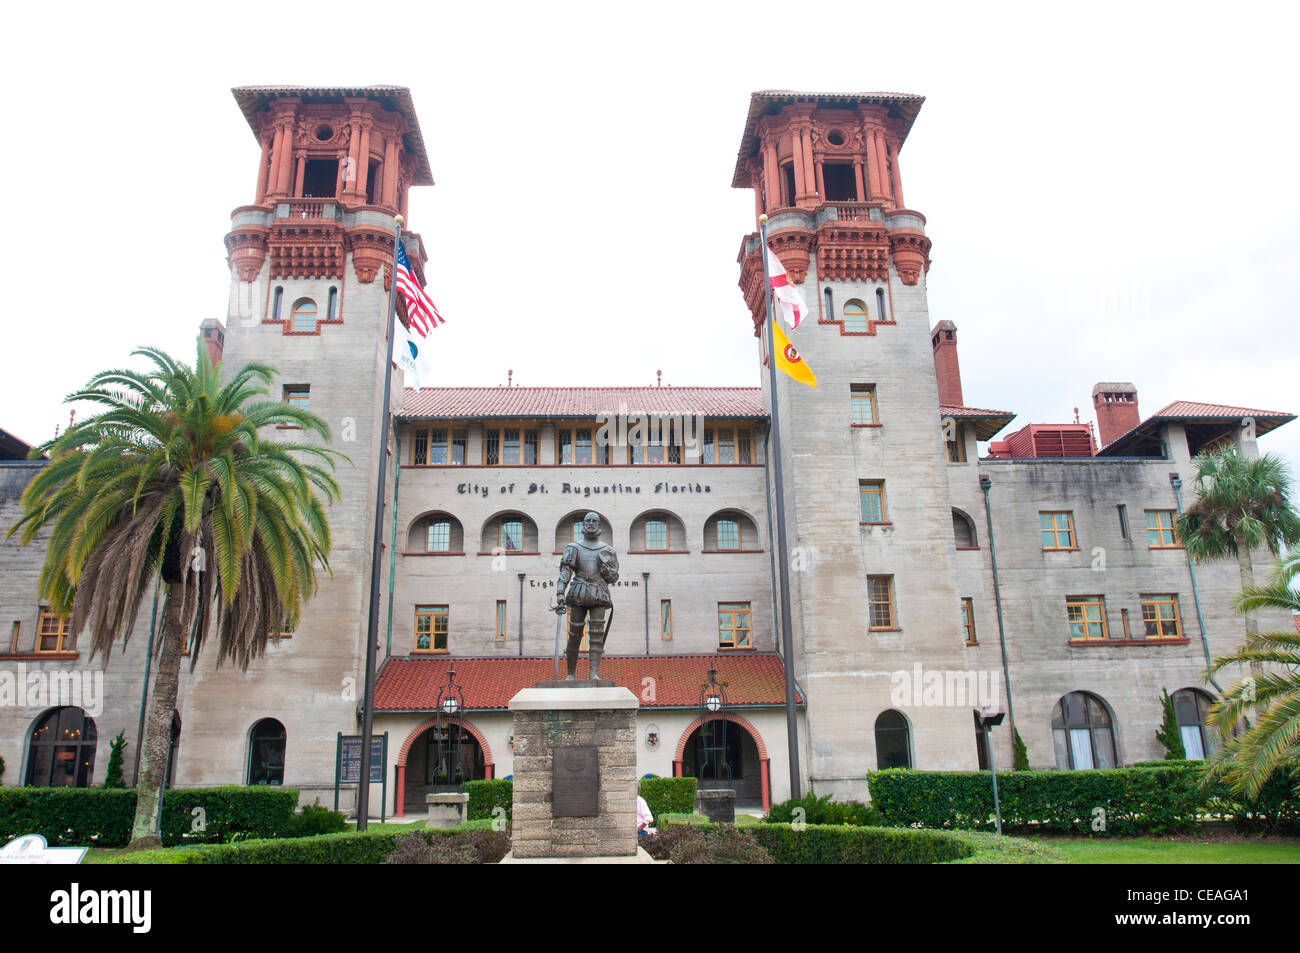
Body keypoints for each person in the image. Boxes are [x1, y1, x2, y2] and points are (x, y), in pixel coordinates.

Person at [555, 511, 619, 680]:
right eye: (588, 521)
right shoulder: (573, 548)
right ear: (583, 525)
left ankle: (594, 674)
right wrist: (560, 592)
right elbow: (565, 572)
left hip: (599, 593)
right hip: (578, 592)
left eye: (594, 521)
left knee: (597, 634)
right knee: (575, 634)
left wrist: (607, 572)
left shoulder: (608, 550)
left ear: (598, 525)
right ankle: (570, 674)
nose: (591, 523)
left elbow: (614, 577)